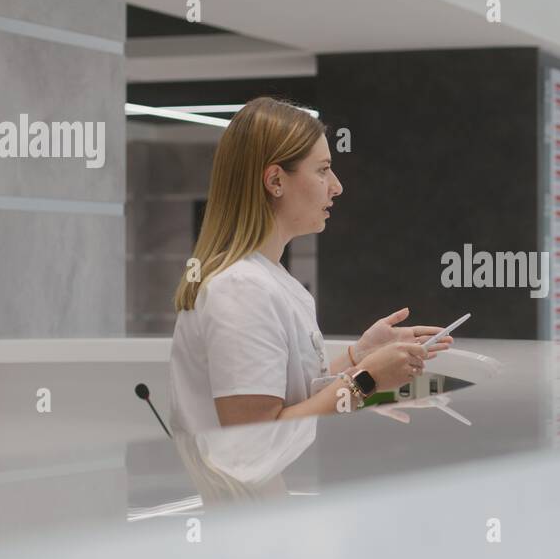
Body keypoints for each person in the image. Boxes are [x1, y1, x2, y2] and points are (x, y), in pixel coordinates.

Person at [168, 98, 452, 435]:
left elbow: (284, 398)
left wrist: (358, 355)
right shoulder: (241, 290)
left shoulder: (262, 280)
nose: (337, 186)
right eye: (322, 170)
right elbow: (251, 437)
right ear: (275, 181)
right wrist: (367, 378)